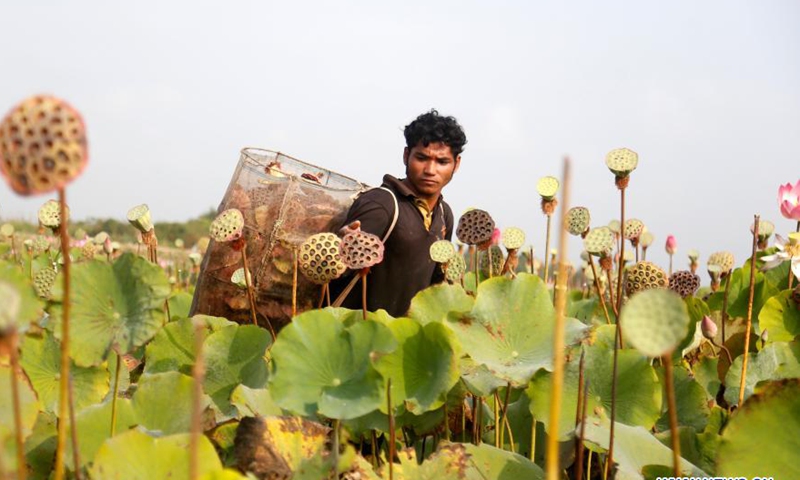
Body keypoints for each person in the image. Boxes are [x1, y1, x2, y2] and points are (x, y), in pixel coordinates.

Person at [331, 109, 466, 317]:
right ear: (406, 156)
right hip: (358, 338)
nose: (430, 170)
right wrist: (341, 247)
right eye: (421, 158)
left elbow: (436, 286)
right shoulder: (382, 204)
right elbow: (337, 272)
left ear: (456, 164)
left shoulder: (444, 214)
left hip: (406, 341)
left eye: (442, 162)